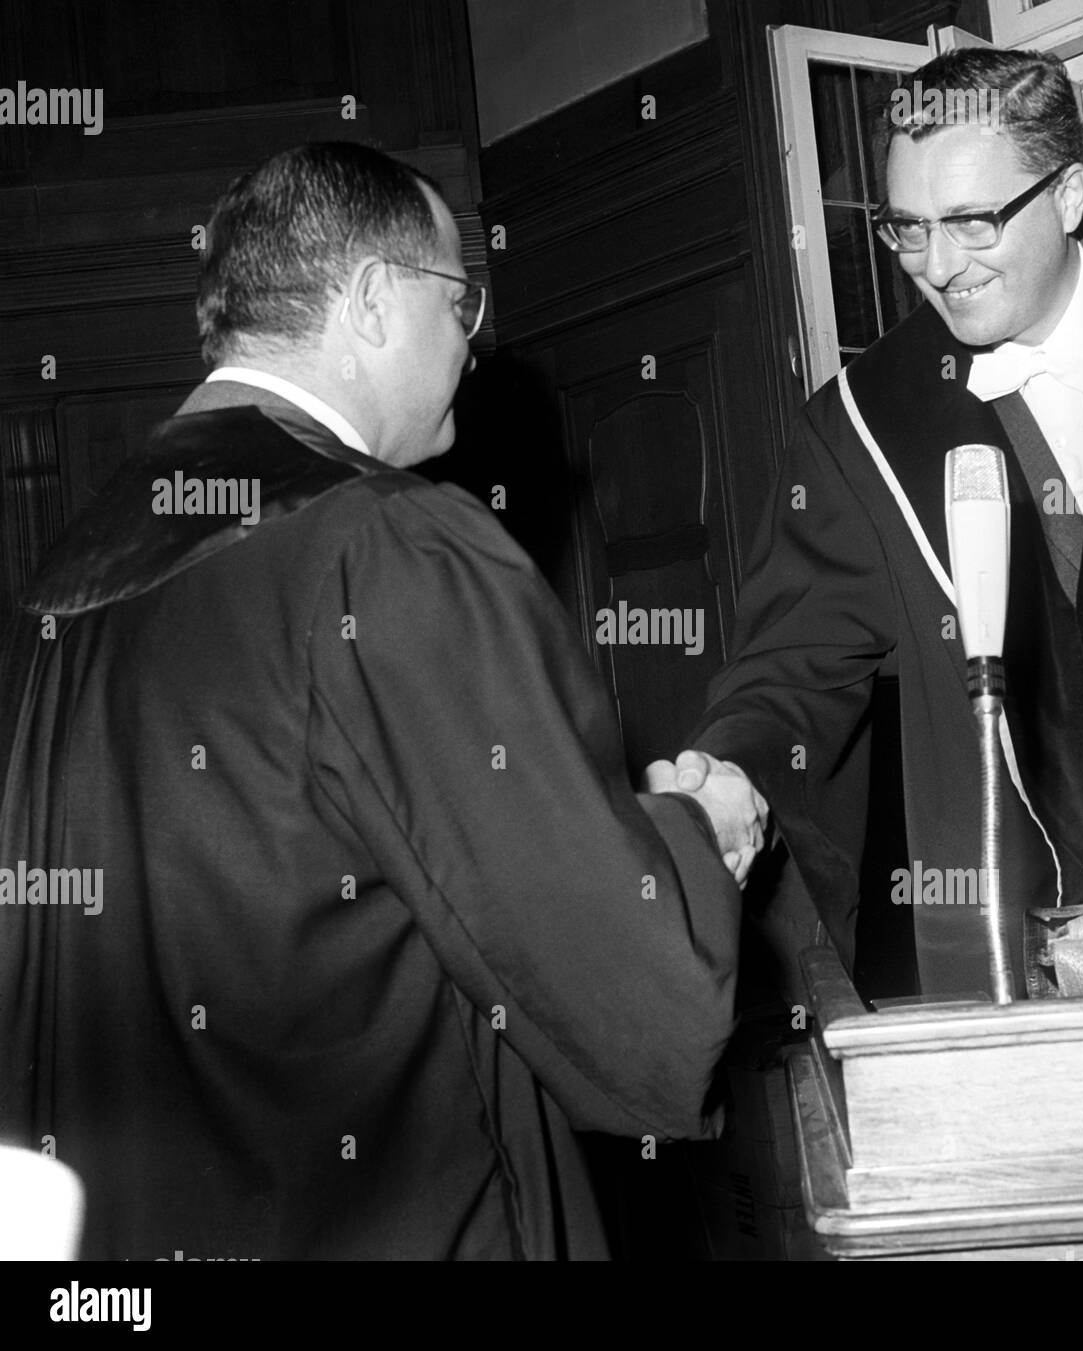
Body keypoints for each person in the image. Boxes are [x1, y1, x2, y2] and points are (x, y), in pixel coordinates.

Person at [0, 142, 762, 1260]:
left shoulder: (70, 565)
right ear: (368, 301)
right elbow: (627, 1005)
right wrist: (701, 837)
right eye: (460, 301)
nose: (473, 338)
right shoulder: (387, 542)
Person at [656, 47, 1083, 998]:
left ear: (1071, 193)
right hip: (1020, 939)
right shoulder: (861, 425)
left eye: (971, 222)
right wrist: (731, 775)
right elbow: (792, 665)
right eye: (906, 229)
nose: (936, 267)